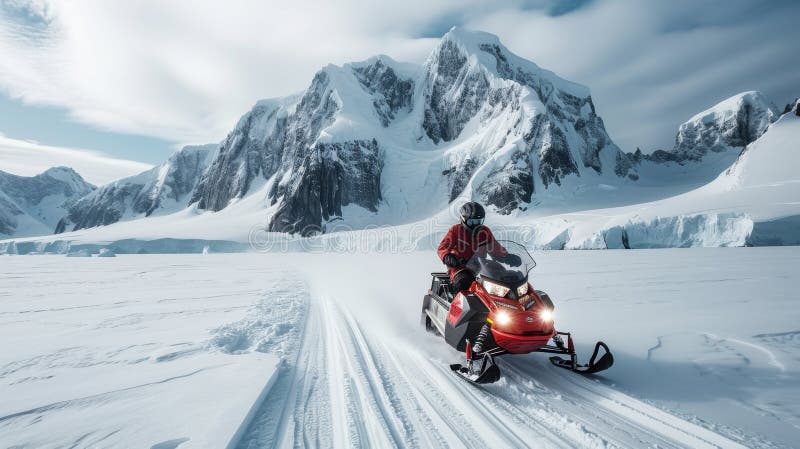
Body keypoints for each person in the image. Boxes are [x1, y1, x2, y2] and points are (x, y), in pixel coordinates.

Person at [437, 202, 521, 294]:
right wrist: (447, 257)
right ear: (463, 219)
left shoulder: (485, 231)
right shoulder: (456, 230)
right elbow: (443, 248)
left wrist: (507, 257)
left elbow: (495, 248)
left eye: (478, 222)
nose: (475, 225)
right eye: (471, 222)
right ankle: (456, 302)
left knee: (503, 275)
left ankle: (508, 300)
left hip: (481, 265)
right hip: (459, 266)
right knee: (464, 281)